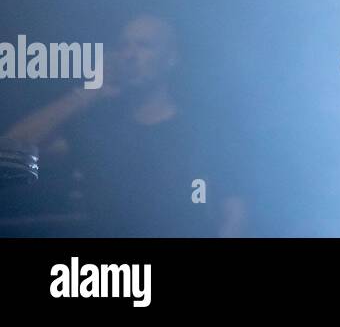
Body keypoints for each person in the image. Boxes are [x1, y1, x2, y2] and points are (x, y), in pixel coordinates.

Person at [2, 14, 247, 237]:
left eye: (143, 46)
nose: (129, 55)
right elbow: (12, 151)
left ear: (170, 58)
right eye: (123, 46)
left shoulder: (200, 131)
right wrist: (89, 93)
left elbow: (234, 214)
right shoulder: (100, 130)